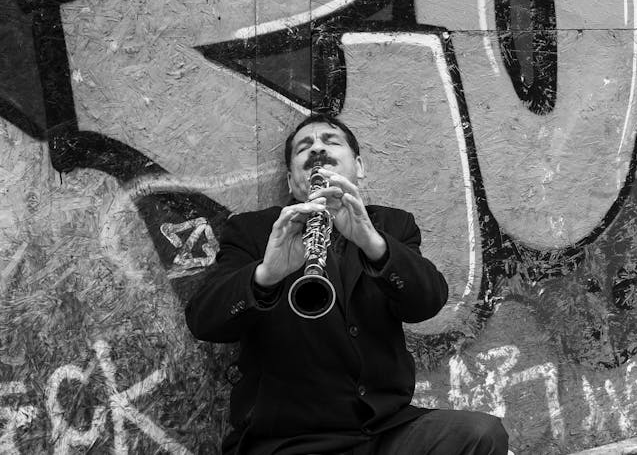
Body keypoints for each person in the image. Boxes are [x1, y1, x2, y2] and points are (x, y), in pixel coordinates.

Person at [186, 113, 509, 454]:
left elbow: (427, 301)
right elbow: (204, 320)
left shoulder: (391, 225)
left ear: (359, 167)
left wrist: (373, 243)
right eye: (304, 148)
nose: (317, 150)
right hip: (288, 440)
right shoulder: (254, 231)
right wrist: (266, 275)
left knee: (480, 434)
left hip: (381, 431)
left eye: (331, 141)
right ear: (292, 180)